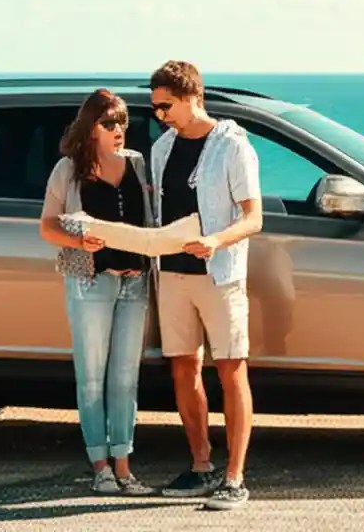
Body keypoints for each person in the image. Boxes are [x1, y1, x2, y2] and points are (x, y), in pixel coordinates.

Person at [149, 60, 262, 510]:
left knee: (232, 370)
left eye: (166, 106)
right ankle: (201, 466)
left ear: (192, 97)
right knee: (183, 368)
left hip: (220, 275)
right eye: (155, 107)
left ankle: (235, 477)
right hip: (173, 275)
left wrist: (214, 240)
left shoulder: (233, 147)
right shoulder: (162, 148)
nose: (160, 115)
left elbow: (253, 217)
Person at [39, 88, 154, 495]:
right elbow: (48, 226)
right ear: (90, 129)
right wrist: (79, 242)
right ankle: (100, 466)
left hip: (134, 281)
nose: (118, 130)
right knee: (91, 378)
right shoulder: (67, 171)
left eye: (122, 121)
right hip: (90, 281)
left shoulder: (138, 164)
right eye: (108, 123)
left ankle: (124, 467)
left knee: (125, 377)